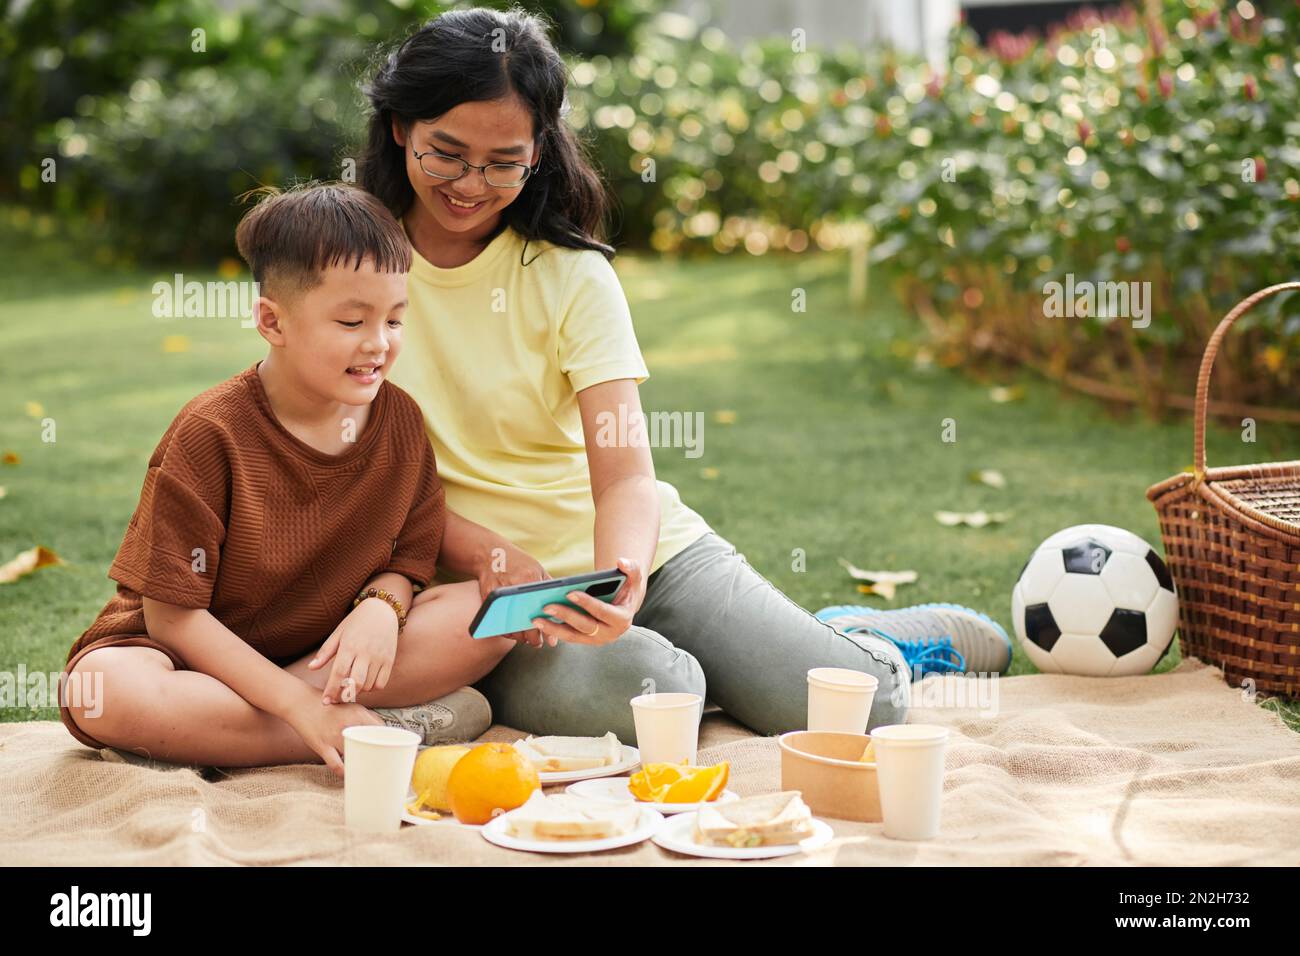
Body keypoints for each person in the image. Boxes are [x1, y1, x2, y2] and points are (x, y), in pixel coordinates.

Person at [360, 8, 1014, 744]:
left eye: (503, 161)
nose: (471, 184)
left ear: (539, 151)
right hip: (492, 604)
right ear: (399, 127)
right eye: (445, 153)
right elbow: (352, 472)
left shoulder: (572, 277)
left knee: (858, 711)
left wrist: (622, 577)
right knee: (658, 694)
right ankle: (716, 661)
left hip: (649, 554)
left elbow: (625, 479)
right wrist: (483, 551)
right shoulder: (351, 271)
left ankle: (866, 639)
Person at [59, 183, 505, 775]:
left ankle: (262, 730)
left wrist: (381, 607)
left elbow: (411, 560)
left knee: (488, 615)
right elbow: (171, 617)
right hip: (190, 662)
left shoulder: (400, 421)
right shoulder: (210, 431)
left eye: (395, 320)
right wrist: (299, 706)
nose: (378, 344)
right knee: (100, 690)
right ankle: (364, 728)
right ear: (273, 321)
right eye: (351, 321)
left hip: (320, 655)